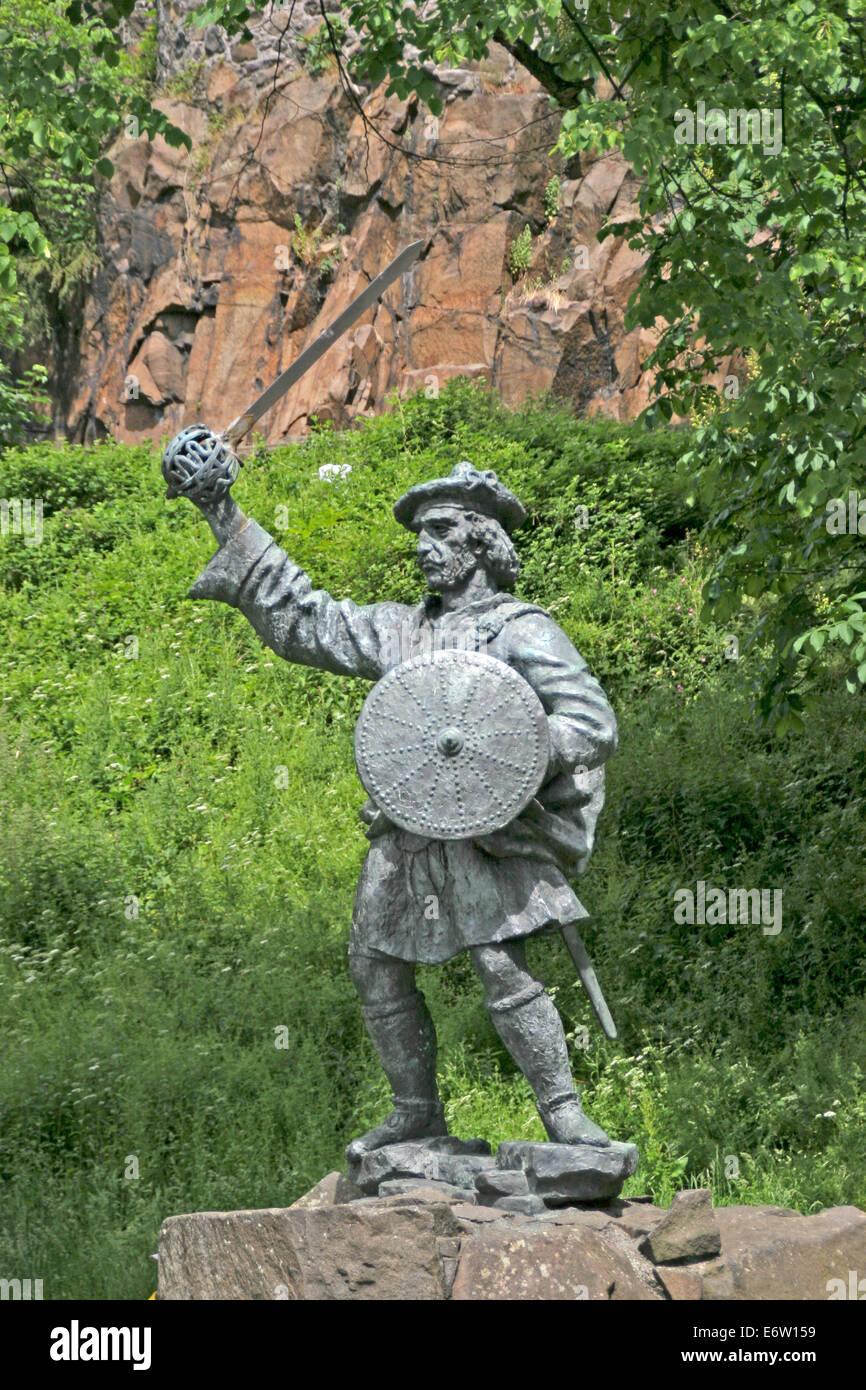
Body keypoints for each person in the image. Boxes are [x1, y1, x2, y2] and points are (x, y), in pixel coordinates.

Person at [177, 458, 618, 1158]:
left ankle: (566, 1117)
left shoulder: (523, 629)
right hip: (407, 829)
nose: (422, 546)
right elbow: (305, 619)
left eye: (440, 530)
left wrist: (506, 761)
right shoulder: (398, 630)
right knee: (374, 962)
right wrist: (220, 510)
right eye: (418, 533)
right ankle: (415, 1112)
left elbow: (590, 722)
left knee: (501, 968)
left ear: (482, 541)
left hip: (488, 831)